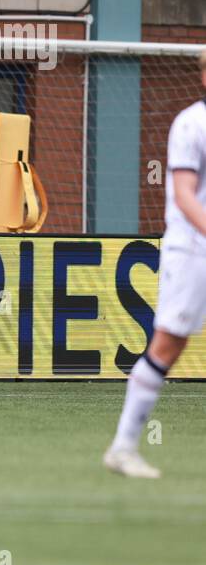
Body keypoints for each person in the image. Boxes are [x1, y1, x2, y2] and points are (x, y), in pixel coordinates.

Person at [104, 53, 206, 479]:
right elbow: (184, 194)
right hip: (192, 251)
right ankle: (123, 447)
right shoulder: (191, 123)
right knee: (168, 345)